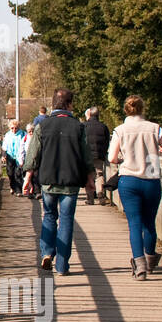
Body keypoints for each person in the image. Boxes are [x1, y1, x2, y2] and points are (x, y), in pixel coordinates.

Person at [108, 94, 162, 280]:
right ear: (142, 108)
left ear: (126, 109)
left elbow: (111, 158)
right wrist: (160, 148)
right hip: (151, 180)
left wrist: (124, 158)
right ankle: (149, 260)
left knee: (134, 224)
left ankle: (139, 266)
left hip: (129, 180)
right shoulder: (155, 128)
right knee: (149, 223)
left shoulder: (120, 130)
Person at [21, 89, 92, 274]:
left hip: (48, 181)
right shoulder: (78, 127)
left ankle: (46, 252)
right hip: (71, 181)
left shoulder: (42, 126)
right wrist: (90, 180)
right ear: (70, 104)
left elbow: (33, 155)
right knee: (66, 220)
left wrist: (28, 178)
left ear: (53, 104)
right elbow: (87, 157)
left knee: (49, 216)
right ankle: (61, 264)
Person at [83, 107, 111, 206]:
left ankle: (90, 198)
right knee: (99, 174)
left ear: (89, 115)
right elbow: (107, 141)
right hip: (99, 155)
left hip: (87, 155)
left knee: (88, 175)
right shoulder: (103, 127)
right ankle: (100, 193)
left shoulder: (84, 126)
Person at [1, 120, 23, 195]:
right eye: (12, 128)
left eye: (16, 128)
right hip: (10, 155)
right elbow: (4, 146)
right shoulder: (8, 135)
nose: (14, 130)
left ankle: (18, 190)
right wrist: (4, 155)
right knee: (10, 173)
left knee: (18, 173)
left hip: (19, 156)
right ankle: (12, 186)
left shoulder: (22, 134)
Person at [22, 123, 40, 197]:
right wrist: (21, 160)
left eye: (32, 131)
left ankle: (37, 191)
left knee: (36, 176)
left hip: (36, 160)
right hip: (27, 159)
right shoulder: (25, 138)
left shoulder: (37, 138)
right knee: (29, 177)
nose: (31, 133)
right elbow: (21, 149)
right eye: (29, 131)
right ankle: (30, 192)